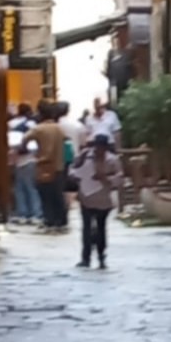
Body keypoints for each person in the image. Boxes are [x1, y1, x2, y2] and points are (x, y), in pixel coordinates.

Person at [72, 134, 126, 269]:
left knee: (101, 229)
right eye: (97, 147)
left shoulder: (112, 160)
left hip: (103, 199)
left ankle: (101, 256)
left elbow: (119, 179)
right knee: (86, 228)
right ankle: (85, 258)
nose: (98, 151)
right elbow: (73, 170)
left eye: (101, 148)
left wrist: (105, 178)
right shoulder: (85, 156)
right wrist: (79, 175)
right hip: (86, 197)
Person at [30, 103, 69, 233]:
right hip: (58, 166)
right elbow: (66, 139)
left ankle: (49, 220)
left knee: (45, 195)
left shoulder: (38, 129)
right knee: (58, 194)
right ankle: (61, 220)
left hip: (44, 166)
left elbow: (24, 140)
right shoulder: (59, 128)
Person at [9, 103, 41, 224]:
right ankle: (36, 213)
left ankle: (23, 213)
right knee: (31, 188)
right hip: (30, 159)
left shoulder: (11, 125)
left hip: (17, 161)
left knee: (19, 188)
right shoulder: (31, 124)